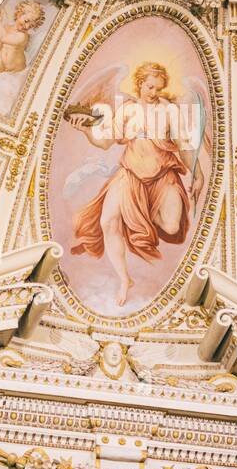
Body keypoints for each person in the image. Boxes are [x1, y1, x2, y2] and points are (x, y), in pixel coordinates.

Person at [67, 62, 205, 306]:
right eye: (150, 87)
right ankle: (124, 279)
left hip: (163, 173)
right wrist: (87, 133)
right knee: (107, 221)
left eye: (158, 88)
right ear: (140, 83)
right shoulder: (127, 110)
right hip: (130, 172)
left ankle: (138, 217)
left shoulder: (170, 110)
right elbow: (106, 142)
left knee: (172, 226)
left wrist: (198, 173)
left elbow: (185, 146)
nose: (153, 92)